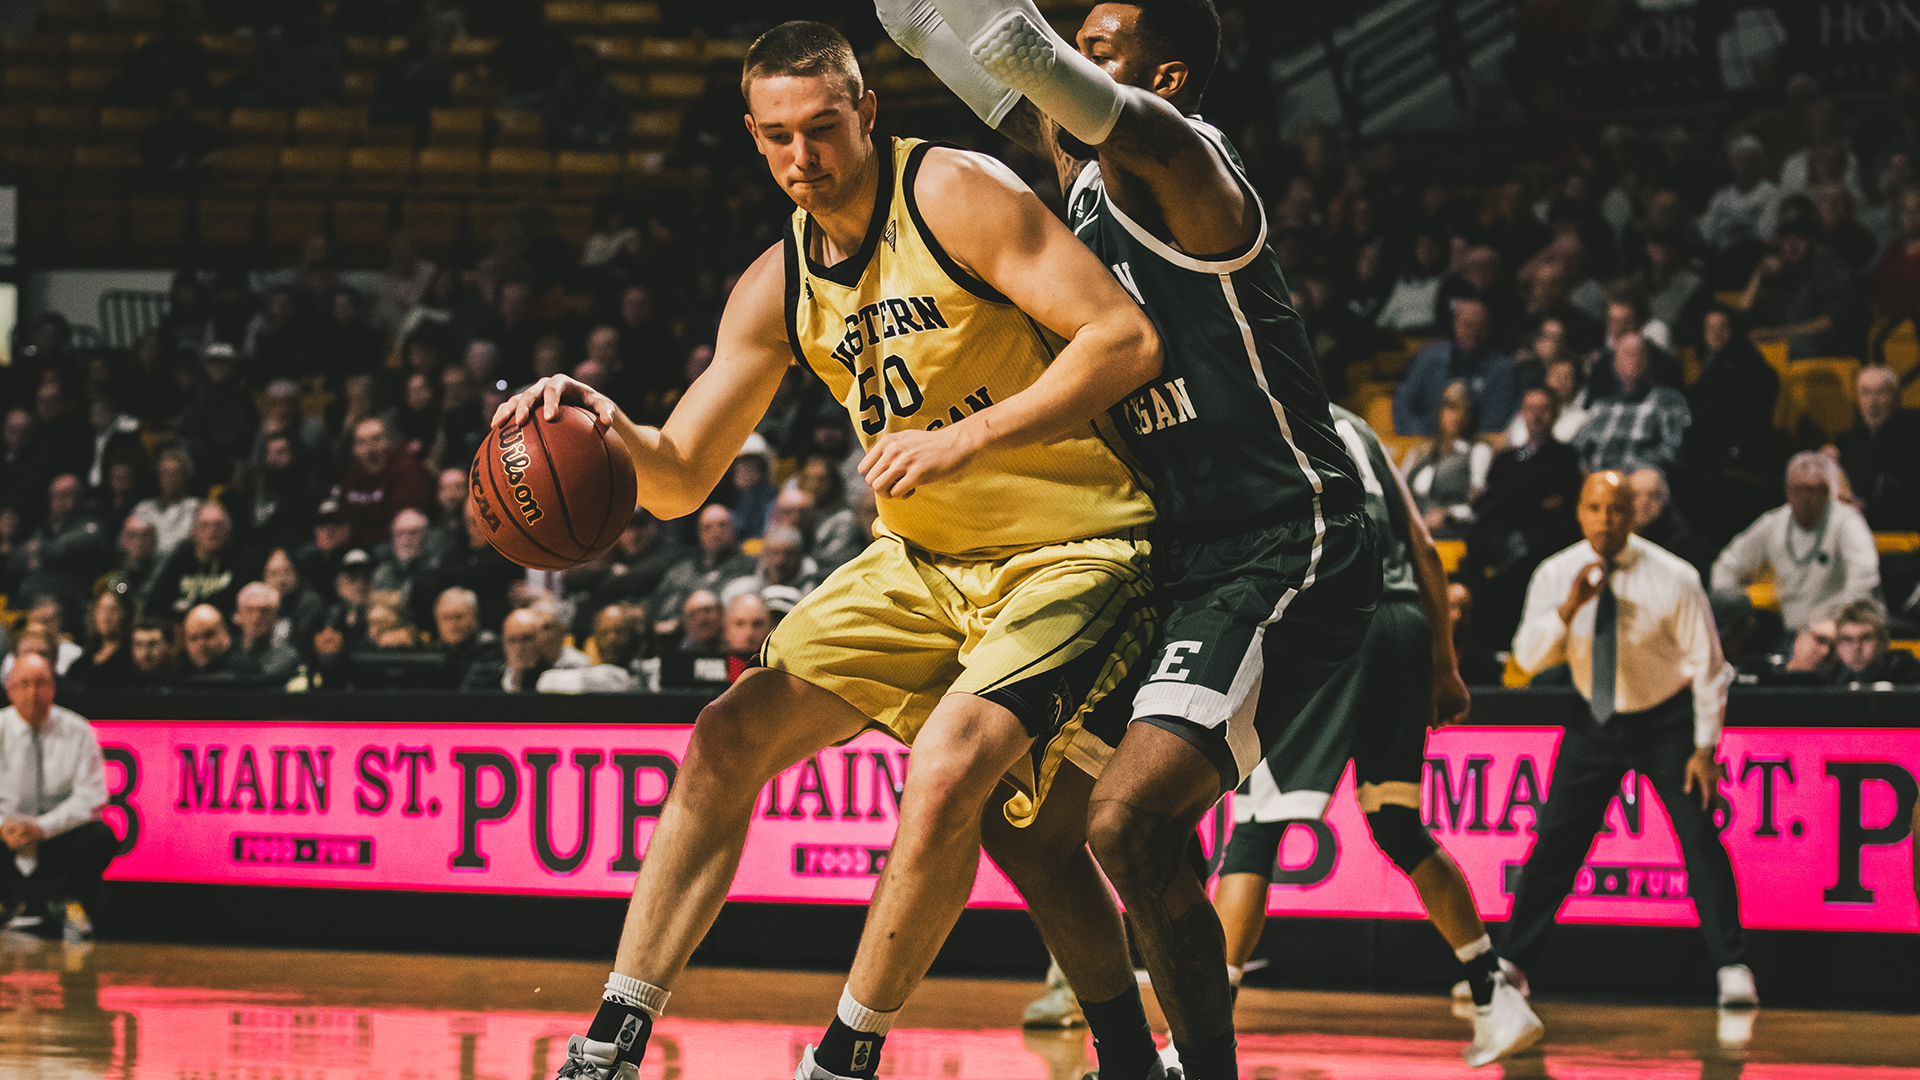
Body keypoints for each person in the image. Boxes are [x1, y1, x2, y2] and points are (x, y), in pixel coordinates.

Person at [523, 21, 1163, 1080]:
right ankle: (614, 1038)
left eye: (823, 128)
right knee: (729, 736)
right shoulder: (776, 283)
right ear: (752, 136)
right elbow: (680, 476)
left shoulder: (953, 193)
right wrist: (608, 428)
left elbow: (1124, 339)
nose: (802, 159)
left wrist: (966, 437)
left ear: (868, 111)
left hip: (1075, 546)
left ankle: (846, 1056)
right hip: (921, 564)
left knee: (962, 778)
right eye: (777, 138)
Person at [900, 4, 1382, 1078]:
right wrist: (918, 18)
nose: (1073, 58)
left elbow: (1061, 85)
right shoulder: (1079, 181)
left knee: (1127, 827)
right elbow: (1009, 90)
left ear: (1162, 74)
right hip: (1174, 553)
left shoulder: (1193, 162)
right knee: (1027, 830)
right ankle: (1129, 1061)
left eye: (1098, 45)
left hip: (1283, 537)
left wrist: (1020, 36)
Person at [1213, 405, 1543, 1067]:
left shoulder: (1255, 419)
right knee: (1396, 820)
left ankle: (1199, 1041)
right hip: (1403, 626)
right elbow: (1424, 547)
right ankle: (1493, 996)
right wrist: (1444, 664)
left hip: (1332, 623)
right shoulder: (1358, 427)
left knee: (1254, 825)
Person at [1509, 471, 1754, 1007]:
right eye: (1594, 508)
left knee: (1698, 839)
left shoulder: (1675, 576)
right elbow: (1526, 660)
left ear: (1632, 515)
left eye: (1616, 509)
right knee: (1555, 843)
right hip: (1593, 718)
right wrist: (1569, 609)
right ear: (1580, 512)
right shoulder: (1556, 575)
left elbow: (1709, 667)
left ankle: (1733, 968)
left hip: (1665, 719)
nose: (1605, 520)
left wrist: (1705, 748)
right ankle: (1513, 963)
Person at [0, 655, 115, 939]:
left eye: (41, 684)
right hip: (5, 838)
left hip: (55, 839)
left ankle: (69, 901)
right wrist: (5, 825)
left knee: (101, 835)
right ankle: (4, 902)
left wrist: (42, 827)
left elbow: (92, 796)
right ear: (9, 690)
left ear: (53, 687)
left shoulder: (78, 730)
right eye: (23, 684)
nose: (33, 693)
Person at [1711, 453, 1880, 636]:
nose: (1808, 498)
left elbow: (1865, 579)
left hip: (1837, 631)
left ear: (1827, 492)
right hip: (1788, 630)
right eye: (1801, 489)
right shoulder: (1773, 523)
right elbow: (1729, 563)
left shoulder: (1847, 521)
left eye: (1815, 490)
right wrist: (1733, 606)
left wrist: (1832, 619)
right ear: (1788, 492)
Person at [1393, 298, 1517, 437]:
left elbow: (1494, 422)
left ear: (1488, 329)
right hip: (1425, 440)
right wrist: (1420, 437)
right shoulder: (1429, 358)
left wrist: (1461, 444)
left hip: (1471, 447)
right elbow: (1403, 402)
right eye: (1467, 324)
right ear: (1455, 324)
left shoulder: (1501, 369)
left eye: (1480, 326)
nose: (1473, 332)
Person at [1570, 334, 1691, 476]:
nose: (1634, 359)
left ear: (1647, 361)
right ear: (1615, 363)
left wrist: (1636, 469)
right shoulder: (1600, 407)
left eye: (1639, 354)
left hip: (1641, 479)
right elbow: (1578, 449)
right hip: (1598, 481)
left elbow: (1674, 449)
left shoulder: (1667, 400)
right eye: (1627, 354)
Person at [1398, 381, 1490, 541]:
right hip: (1414, 531)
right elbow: (1399, 491)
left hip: (1450, 532)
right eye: (1451, 406)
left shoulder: (1478, 450)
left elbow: (1477, 505)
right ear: (1440, 409)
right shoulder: (1421, 451)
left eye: (1465, 409)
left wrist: (1447, 513)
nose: (1458, 415)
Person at [1832, 365, 1920, 532]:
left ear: (1895, 397)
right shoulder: (1847, 442)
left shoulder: (1915, 436)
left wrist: (1867, 507)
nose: (1872, 402)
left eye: (1880, 393)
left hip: (1904, 530)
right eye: (1865, 392)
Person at [146, 501, 242, 620]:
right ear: (194, 530)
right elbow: (156, 603)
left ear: (228, 529)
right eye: (205, 525)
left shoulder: (239, 559)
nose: (212, 531)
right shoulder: (182, 558)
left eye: (218, 525)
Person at [1827, 598, 1920, 686]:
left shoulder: (1910, 673)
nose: (1856, 647)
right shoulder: (1832, 678)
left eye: (1865, 638)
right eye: (1847, 639)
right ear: (1837, 645)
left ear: (1883, 642)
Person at [63, 589, 137, 691]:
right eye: (101, 609)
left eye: (113, 609)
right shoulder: (83, 661)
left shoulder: (132, 658)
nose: (106, 616)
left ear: (125, 614)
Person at [231, 582, 303, 686]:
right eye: (250, 610)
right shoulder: (226, 653)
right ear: (237, 616)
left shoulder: (287, 657)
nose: (256, 618)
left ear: (276, 617)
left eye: (264, 611)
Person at [433, 587, 501, 688]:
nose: (452, 624)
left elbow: (468, 696)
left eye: (458, 616)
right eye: (446, 618)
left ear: (475, 616)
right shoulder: (444, 652)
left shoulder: (489, 650)